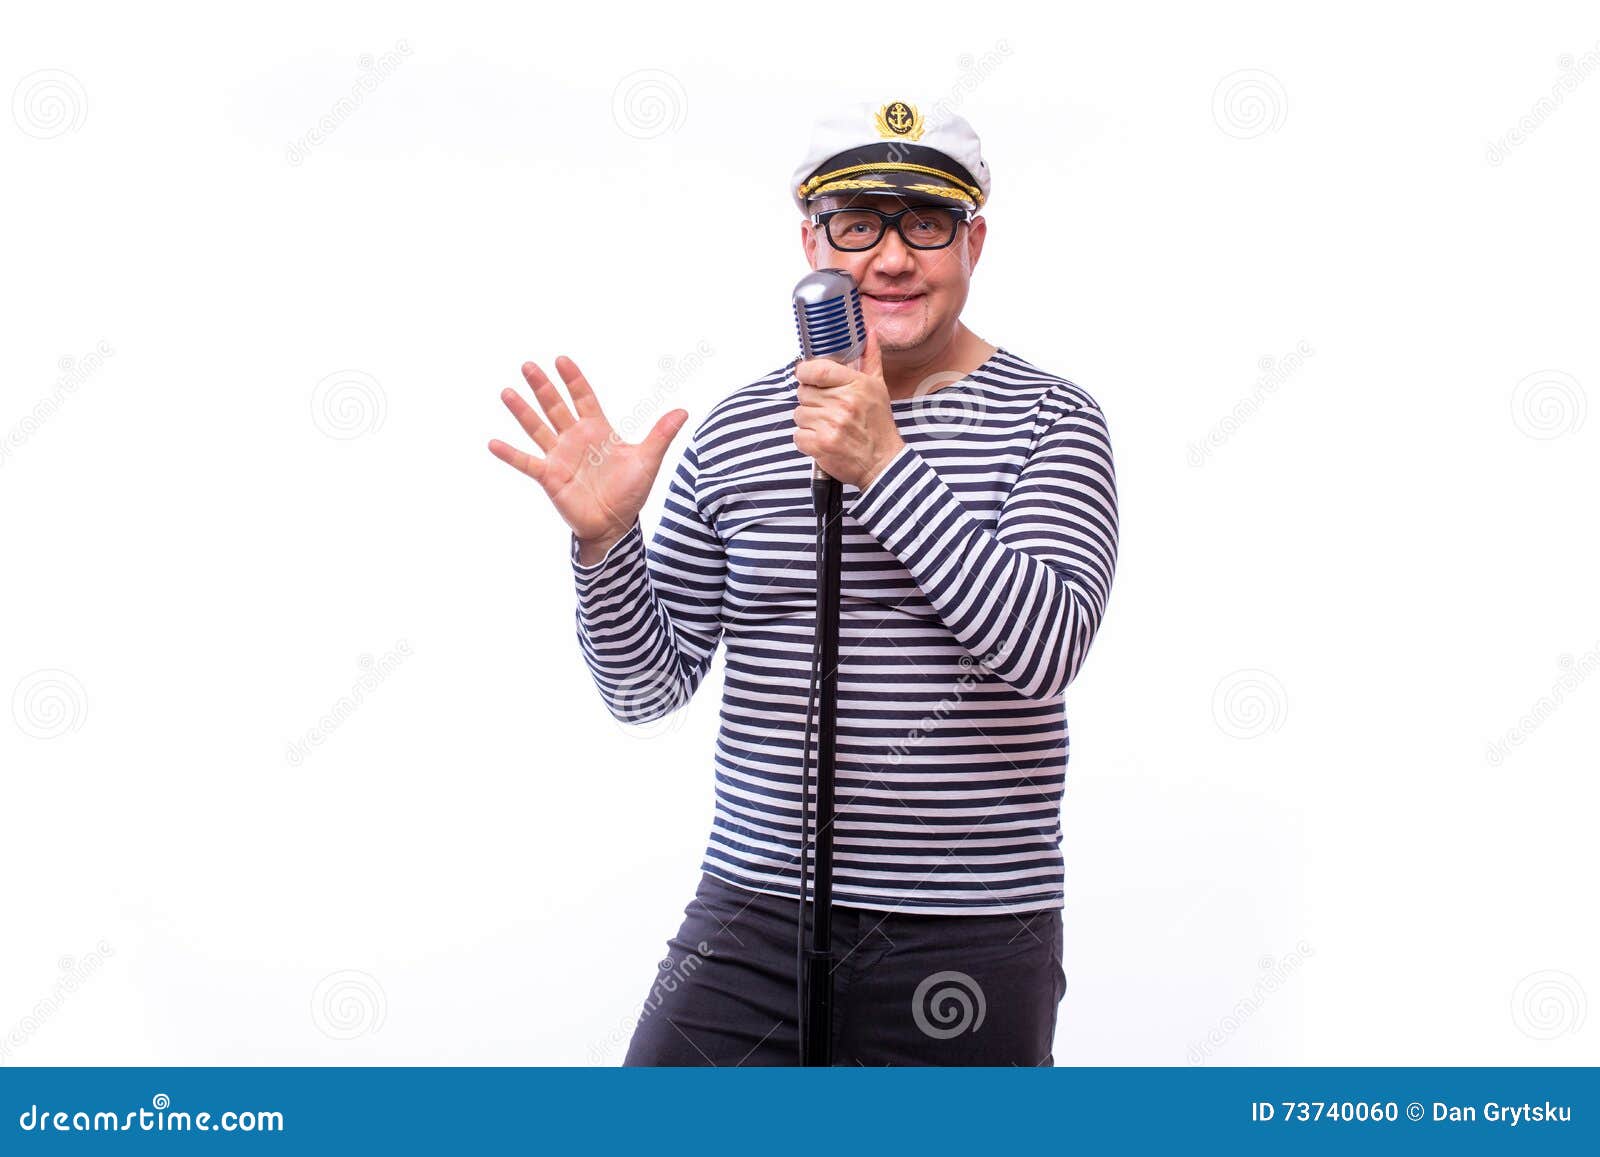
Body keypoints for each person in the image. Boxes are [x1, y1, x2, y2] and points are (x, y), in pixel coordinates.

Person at [487, 99, 1119, 1065]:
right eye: (857, 224)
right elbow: (644, 690)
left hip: (970, 932)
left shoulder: (1053, 420)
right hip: (752, 920)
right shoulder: (737, 432)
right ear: (811, 242)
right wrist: (609, 546)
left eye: (928, 222)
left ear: (975, 242)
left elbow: (1043, 651)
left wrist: (882, 465)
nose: (892, 258)